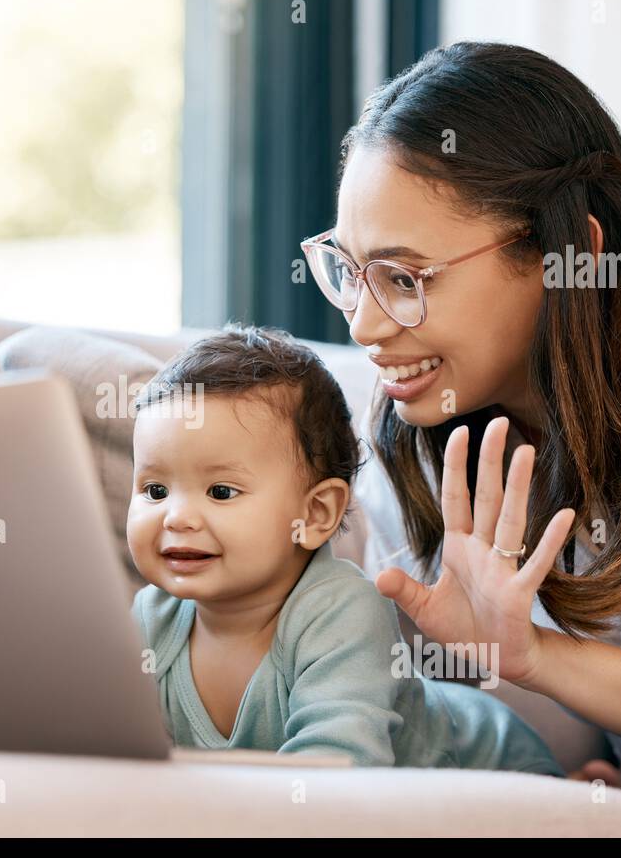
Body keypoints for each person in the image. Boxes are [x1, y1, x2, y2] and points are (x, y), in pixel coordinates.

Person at [300, 41, 621, 835]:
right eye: (349, 272)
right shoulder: (423, 415)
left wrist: (538, 656)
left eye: (403, 278)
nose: (363, 325)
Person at [125, 324, 563, 775]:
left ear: (316, 514)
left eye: (220, 491)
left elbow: (334, 778)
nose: (176, 517)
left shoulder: (343, 615)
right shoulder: (150, 619)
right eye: (155, 490)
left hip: (493, 765)